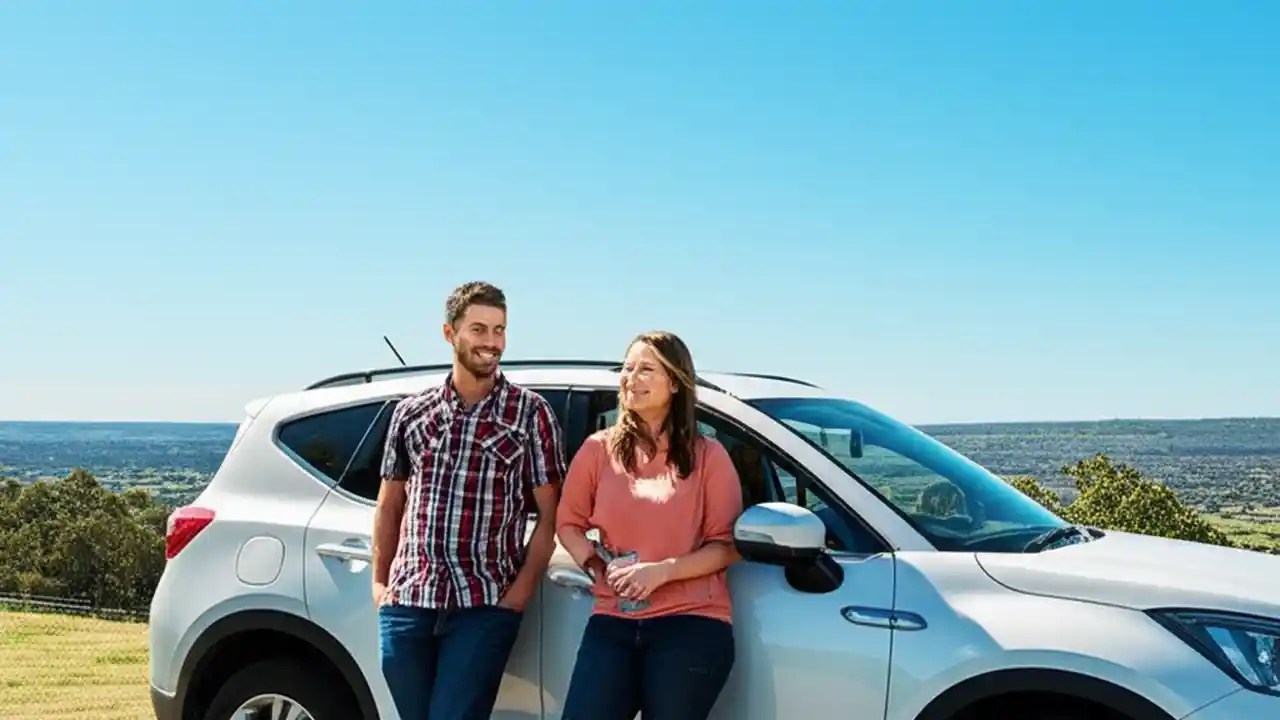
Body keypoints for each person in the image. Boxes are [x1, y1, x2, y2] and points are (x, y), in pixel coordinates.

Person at [372, 281, 567, 720]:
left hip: (482, 604)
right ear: (449, 333)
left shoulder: (530, 414)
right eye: (479, 329)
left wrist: (517, 595)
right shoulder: (410, 413)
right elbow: (390, 504)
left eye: (499, 330)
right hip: (408, 601)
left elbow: (552, 516)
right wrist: (380, 586)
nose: (492, 342)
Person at [555, 330, 744, 720]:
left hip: (691, 622)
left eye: (646, 369)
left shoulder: (709, 456)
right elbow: (568, 523)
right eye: (627, 368)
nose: (631, 377)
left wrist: (663, 572)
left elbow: (727, 546)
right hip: (613, 620)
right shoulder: (596, 451)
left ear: (674, 382)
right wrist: (594, 566)